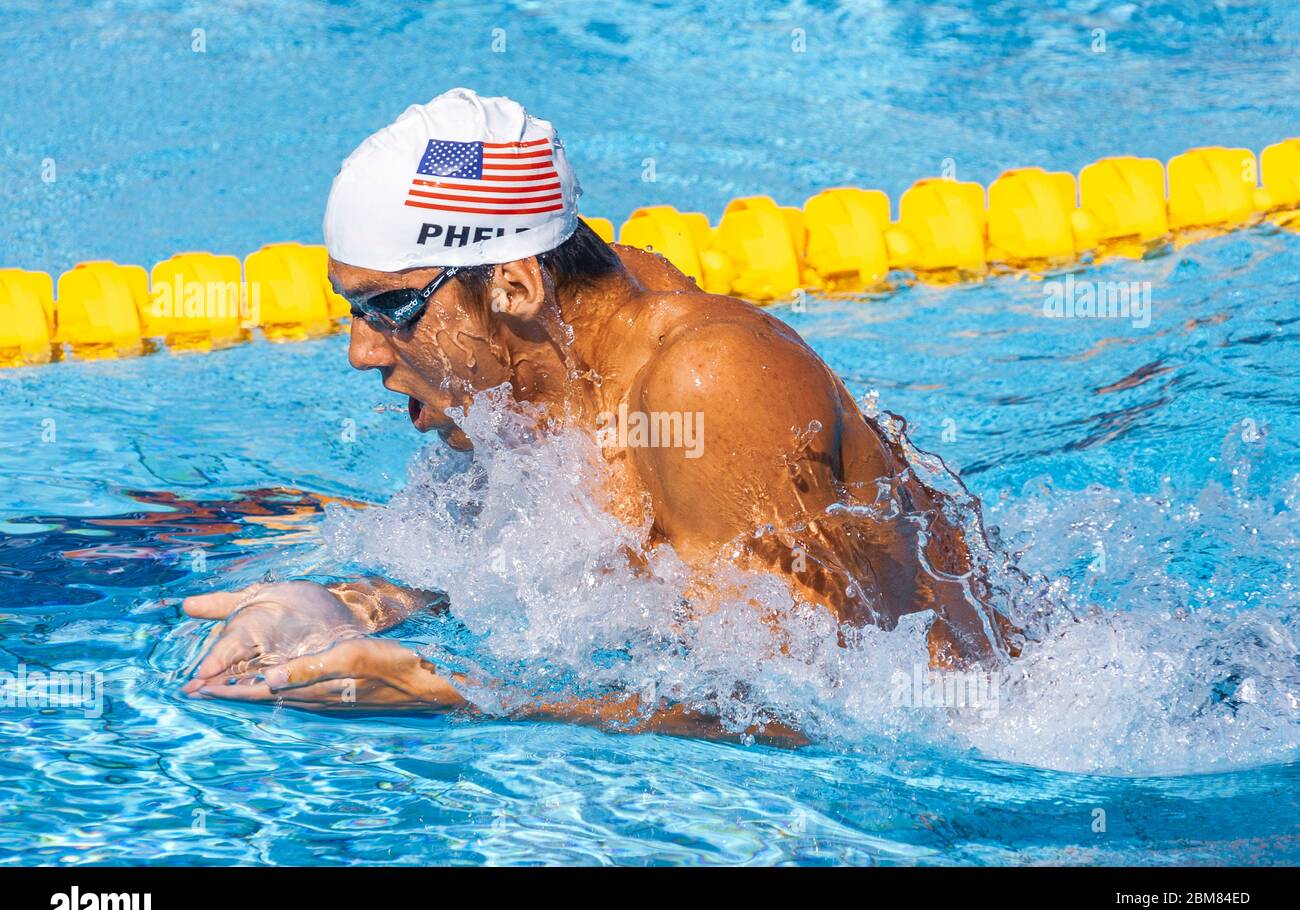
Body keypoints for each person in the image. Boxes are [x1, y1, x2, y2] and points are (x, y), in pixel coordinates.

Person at [183, 89, 1016, 743]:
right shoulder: (540, 366)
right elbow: (537, 575)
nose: (363, 352)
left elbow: (814, 711)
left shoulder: (705, 382)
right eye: (351, 310)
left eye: (391, 308)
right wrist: (355, 606)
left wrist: (461, 695)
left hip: (993, 779)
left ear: (515, 284)